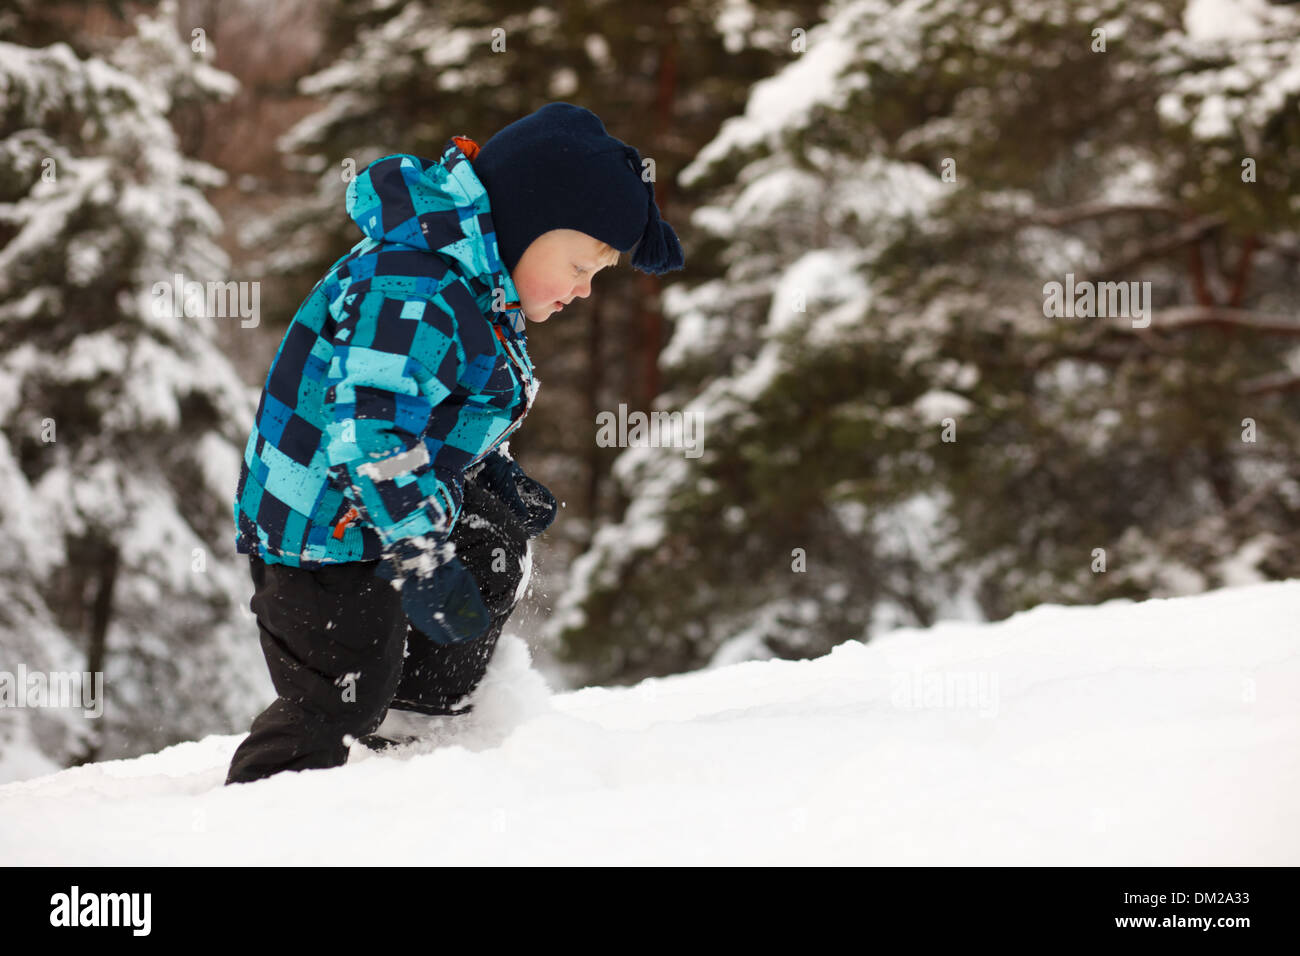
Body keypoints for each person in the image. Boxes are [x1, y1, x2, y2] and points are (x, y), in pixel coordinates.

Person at [225, 102, 684, 785]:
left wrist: (488, 474)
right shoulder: (415, 287)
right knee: (341, 692)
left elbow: (441, 409)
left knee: (492, 549)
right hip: (324, 529)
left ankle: (424, 740)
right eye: (581, 265)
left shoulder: (477, 284)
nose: (584, 291)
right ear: (532, 222)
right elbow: (372, 430)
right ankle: (271, 806)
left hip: (384, 504)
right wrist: (419, 554)